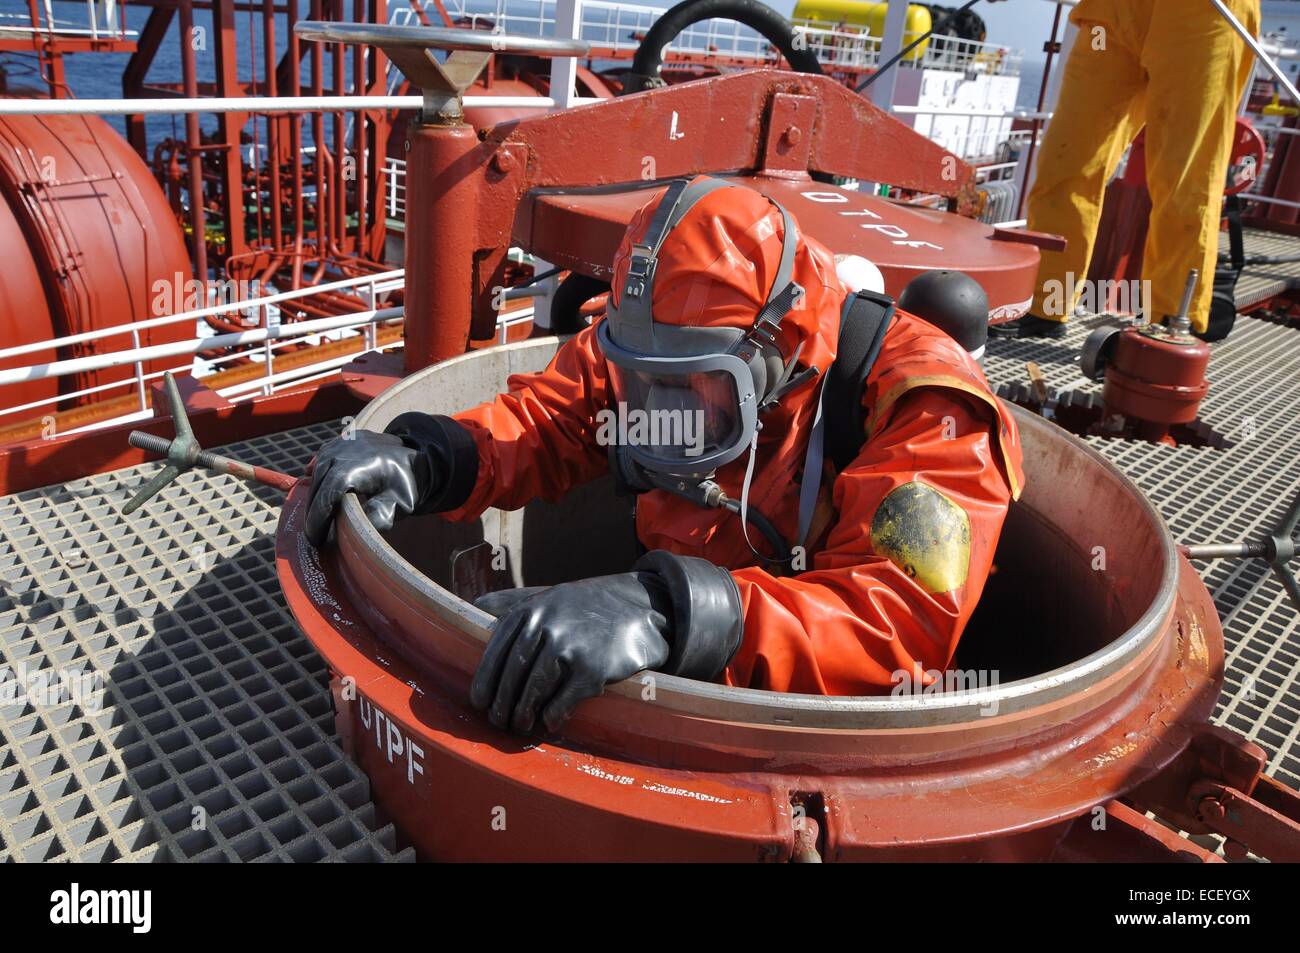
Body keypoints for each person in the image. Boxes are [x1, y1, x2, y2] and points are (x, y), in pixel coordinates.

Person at [306, 178, 1024, 734]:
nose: (661, 418)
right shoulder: (660, 345)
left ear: (782, 348)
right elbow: (547, 418)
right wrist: (434, 456)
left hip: (830, 733)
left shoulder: (928, 407)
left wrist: (670, 613)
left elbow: (894, 627)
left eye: (693, 390)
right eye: (641, 385)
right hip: (682, 671)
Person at [995, 0, 1261, 339]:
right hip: (1113, 12)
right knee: (1067, 161)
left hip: (1204, 15)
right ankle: (1046, 305)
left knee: (1187, 176)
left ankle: (1172, 322)